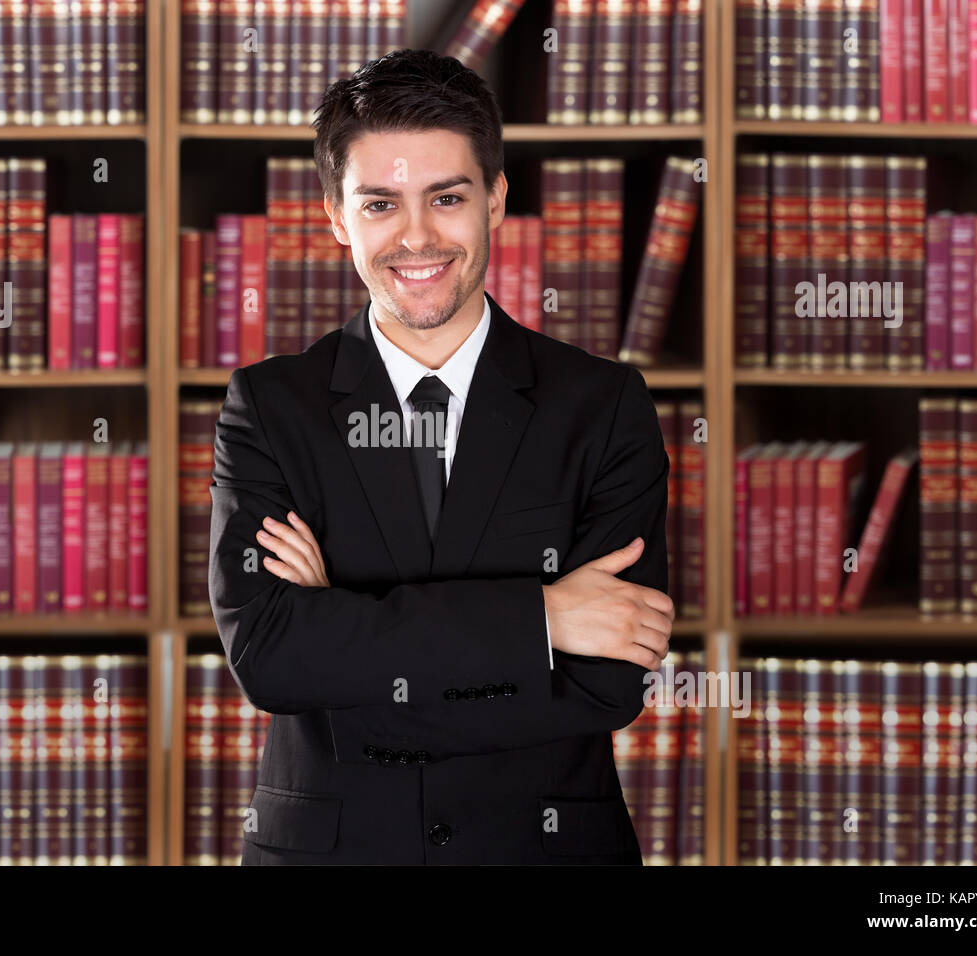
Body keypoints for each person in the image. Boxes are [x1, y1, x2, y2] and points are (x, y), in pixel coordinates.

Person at [208, 48, 675, 864]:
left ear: (495, 200)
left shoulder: (602, 405)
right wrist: (542, 619)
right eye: (381, 203)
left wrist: (345, 659)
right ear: (336, 215)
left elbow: (607, 682)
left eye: (447, 197)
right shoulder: (269, 407)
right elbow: (273, 659)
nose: (417, 237)